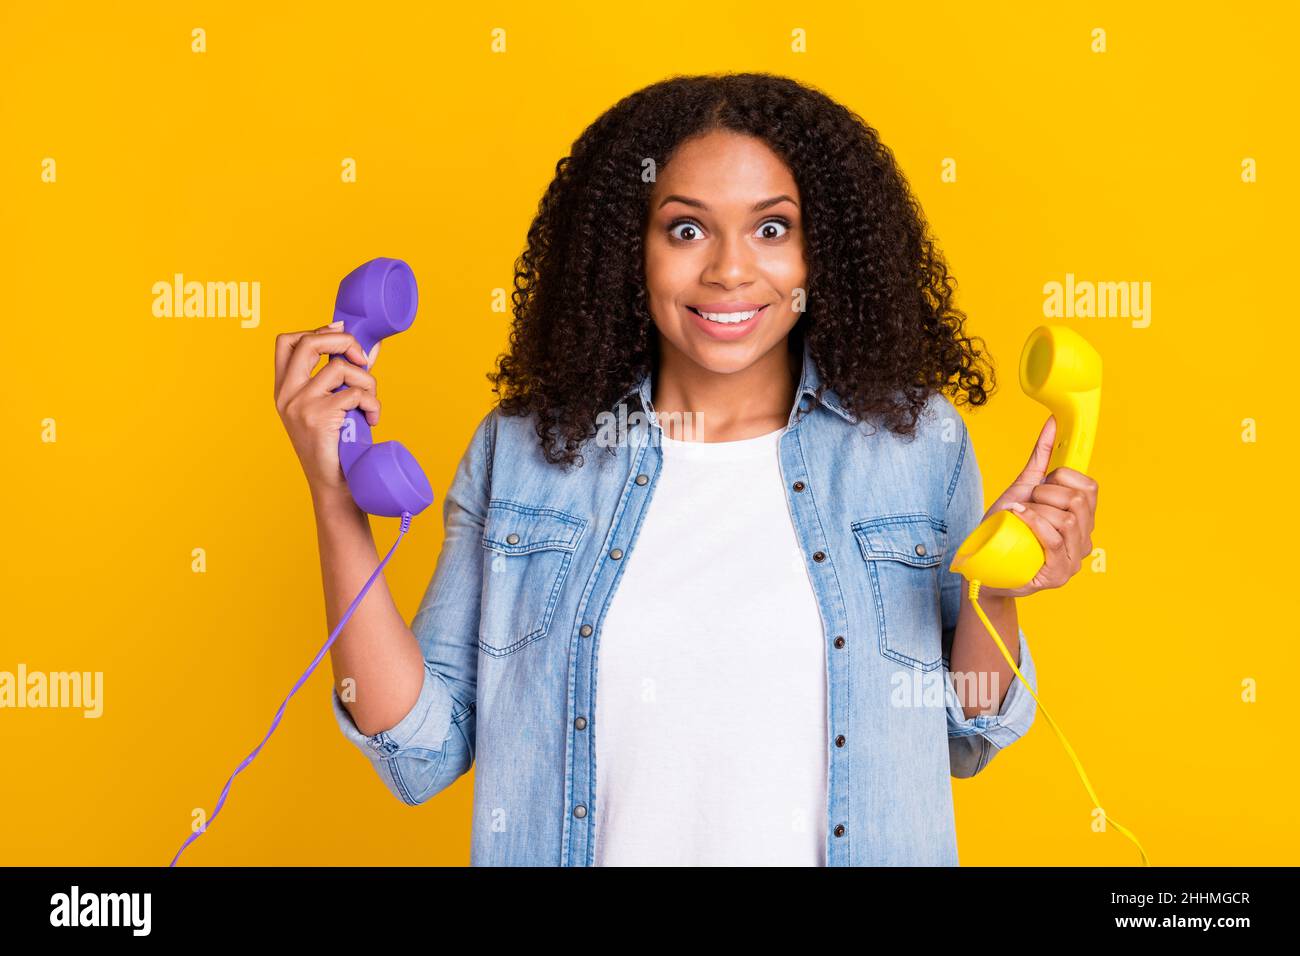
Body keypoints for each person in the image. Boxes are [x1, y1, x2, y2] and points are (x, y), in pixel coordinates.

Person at [272, 72, 1098, 866]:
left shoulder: (917, 445)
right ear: (628, 250)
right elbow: (418, 747)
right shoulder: (526, 450)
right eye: (686, 228)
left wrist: (999, 593)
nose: (730, 270)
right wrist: (333, 495)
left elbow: (964, 731)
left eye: (772, 228)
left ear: (825, 251)